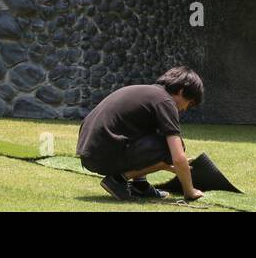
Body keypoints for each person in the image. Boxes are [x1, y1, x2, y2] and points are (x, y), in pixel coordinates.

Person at [76, 66, 205, 202]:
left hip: (90, 155)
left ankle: (140, 186)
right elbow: (178, 157)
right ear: (181, 90)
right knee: (172, 147)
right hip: (103, 156)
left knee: (157, 141)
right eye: (189, 103)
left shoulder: (147, 93)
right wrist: (189, 191)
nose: (185, 109)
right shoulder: (165, 102)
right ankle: (117, 180)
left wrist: (166, 165)